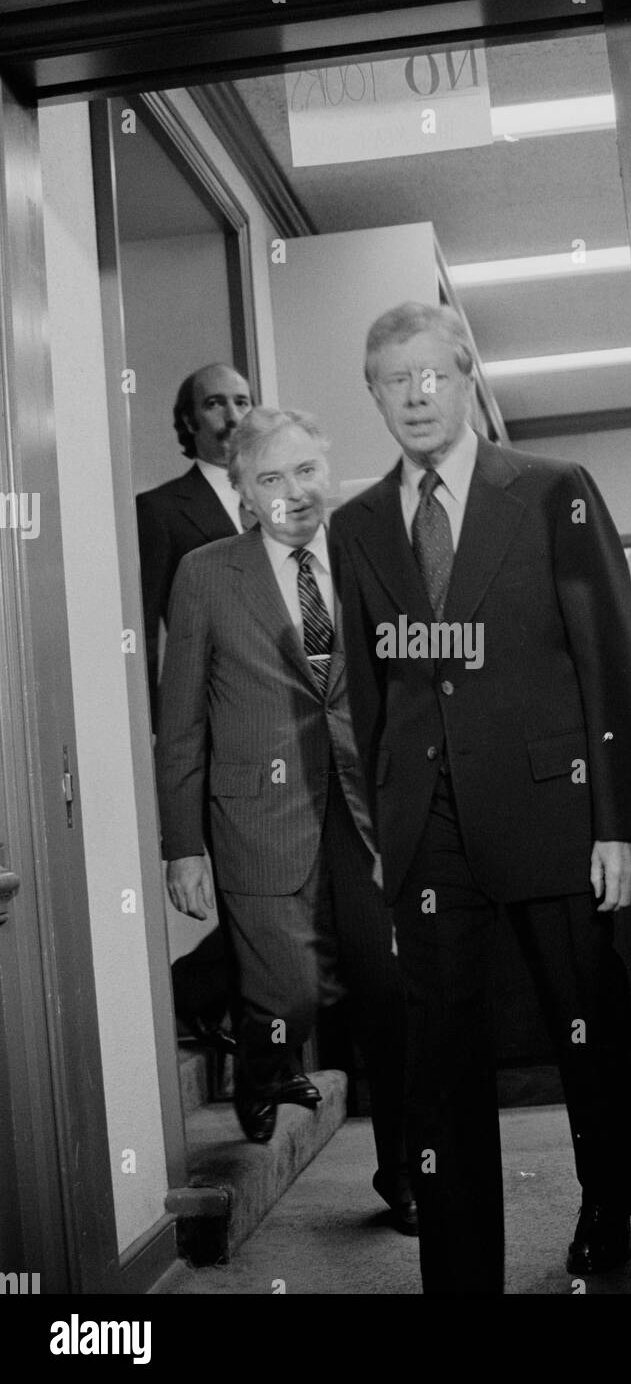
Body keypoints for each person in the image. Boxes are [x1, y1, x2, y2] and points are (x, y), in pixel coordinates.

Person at [329, 302, 631, 1294]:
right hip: (425, 831)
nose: (417, 396)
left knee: (582, 1027)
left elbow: (608, 663)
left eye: (433, 374)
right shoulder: (353, 527)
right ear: (375, 395)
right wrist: (383, 835)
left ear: (465, 377)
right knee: (441, 1062)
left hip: (550, 809)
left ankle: (607, 1199)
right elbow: (374, 687)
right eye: (395, 379)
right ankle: (459, 1272)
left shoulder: (552, 490)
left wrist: (620, 823)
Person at [155, 406, 415, 1234]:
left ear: (327, 472)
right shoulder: (205, 573)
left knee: (389, 994)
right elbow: (182, 719)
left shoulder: (374, 549)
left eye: (305, 470)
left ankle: (405, 1175)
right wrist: (181, 846)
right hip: (258, 817)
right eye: (270, 478)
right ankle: (263, 1059)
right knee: (293, 990)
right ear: (243, 495)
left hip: (369, 810)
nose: (293, 491)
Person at [137, 362, 253, 1052]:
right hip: (211, 734)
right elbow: (146, 628)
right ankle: (191, 993)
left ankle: (227, 1019)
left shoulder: (277, 498)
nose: (232, 414)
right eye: (215, 403)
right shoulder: (161, 510)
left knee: (292, 897)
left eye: (243, 400)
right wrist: (166, 724)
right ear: (190, 421)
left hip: (288, 729)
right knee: (253, 894)